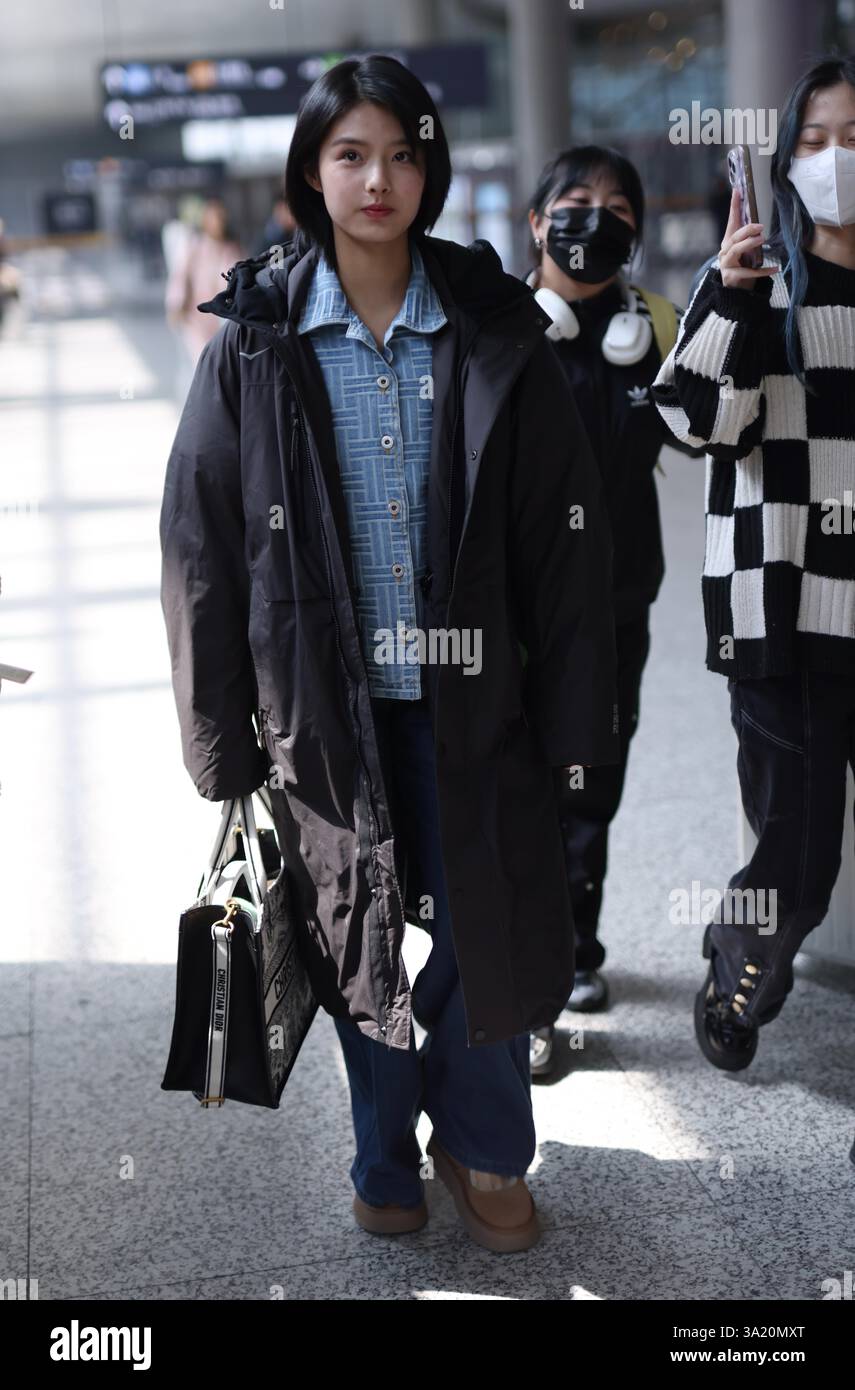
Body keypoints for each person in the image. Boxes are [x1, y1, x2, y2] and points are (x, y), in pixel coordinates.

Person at [159, 54, 618, 1252]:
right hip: (328, 707)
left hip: (479, 703)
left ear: (432, 169)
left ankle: (485, 1146)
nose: (380, 178)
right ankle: (384, 1158)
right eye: (352, 154)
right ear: (313, 170)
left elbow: (568, 545)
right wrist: (221, 737)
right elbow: (199, 546)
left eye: (405, 153)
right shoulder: (257, 343)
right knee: (356, 931)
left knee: (483, 928)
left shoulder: (490, 326)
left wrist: (582, 719)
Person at [652, 57, 855, 1073]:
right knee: (799, 854)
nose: (835, 160)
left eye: (854, 137)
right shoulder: (753, 286)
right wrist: (728, 303)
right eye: (815, 141)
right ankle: (740, 960)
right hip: (780, 614)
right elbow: (693, 424)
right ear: (781, 160)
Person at [525, 146, 704, 1075]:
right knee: (520, 783)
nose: (595, 219)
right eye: (574, 202)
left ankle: (576, 950)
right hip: (514, 612)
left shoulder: (660, 328)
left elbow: (719, 424)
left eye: (616, 206)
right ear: (536, 224)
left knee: (592, 779)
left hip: (619, 597)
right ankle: (532, 977)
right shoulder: (501, 332)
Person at [164, 196, 244, 364]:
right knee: (202, 361)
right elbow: (180, 275)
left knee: (222, 361)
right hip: (196, 316)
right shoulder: (195, 245)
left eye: (221, 217)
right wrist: (176, 304)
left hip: (223, 317)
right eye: (214, 217)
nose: (218, 222)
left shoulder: (231, 248)